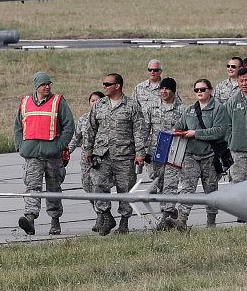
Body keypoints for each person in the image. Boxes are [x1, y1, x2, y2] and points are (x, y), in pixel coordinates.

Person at [82, 73, 149, 235]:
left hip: (124, 155)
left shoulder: (131, 106)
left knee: (125, 189)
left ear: (117, 86)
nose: (104, 87)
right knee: (97, 186)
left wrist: (140, 153)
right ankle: (106, 216)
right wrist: (87, 149)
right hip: (102, 154)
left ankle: (124, 223)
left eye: (108, 84)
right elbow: (91, 129)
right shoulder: (99, 105)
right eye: (104, 84)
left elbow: (139, 130)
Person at [13, 72, 75, 236]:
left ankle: (55, 221)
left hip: (53, 155)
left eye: (49, 84)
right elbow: (18, 127)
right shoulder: (25, 102)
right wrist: (20, 145)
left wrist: (60, 145)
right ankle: (30, 219)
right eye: (43, 85)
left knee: (53, 188)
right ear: (36, 86)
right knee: (32, 187)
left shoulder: (58, 102)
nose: (47, 87)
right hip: (32, 155)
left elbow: (69, 126)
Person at [173, 79, 230, 229]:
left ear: (210, 90)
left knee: (211, 189)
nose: (199, 92)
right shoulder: (189, 110)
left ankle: (211, 222)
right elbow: (179, 126)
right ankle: (181, 221)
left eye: (202, 89)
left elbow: (219, 131)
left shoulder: (219, 109)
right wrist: (174, 132)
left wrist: (195, 133)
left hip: (210, 156)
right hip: (191, 155)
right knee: (187, 188)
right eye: (196, 90)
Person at [143, 78, 184, 230]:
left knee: (170, 184)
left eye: (167, 89)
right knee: (159, 183)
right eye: (161, 88)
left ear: (173, 91)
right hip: (156, 154)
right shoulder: (151, 108)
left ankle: (165, 218)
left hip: (174, 153)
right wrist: (144, 151)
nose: (163, 91)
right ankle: (172, 211)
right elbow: (145, 130)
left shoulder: (182, 110)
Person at [68, 92, 105, 213]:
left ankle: (102, 215)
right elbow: (75, 138)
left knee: (99, 187)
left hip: (102, 160)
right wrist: (66, 152)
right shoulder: (84, 119)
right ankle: (98, 210)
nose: (94, 103)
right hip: (86, 161)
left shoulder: (107, 119)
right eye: (92, 101)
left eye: (97, 101)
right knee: (87, 186)